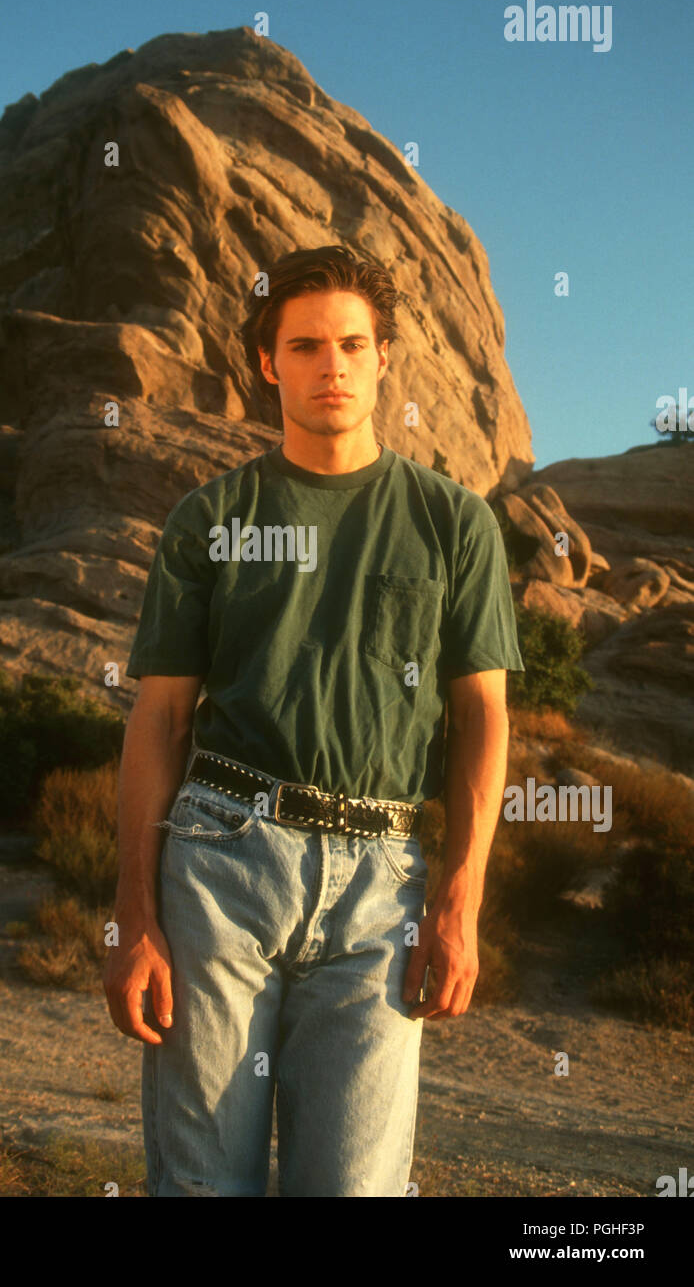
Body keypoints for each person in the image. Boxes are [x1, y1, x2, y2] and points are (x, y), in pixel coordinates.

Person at [103, 244, 524, 1197]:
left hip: (384, 891)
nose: (329, 365)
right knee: (204, 1184)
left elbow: (482, 718)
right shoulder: (210, 517)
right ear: (267, 364)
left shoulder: (455, 523)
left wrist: (460, 901)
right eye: (303, 346)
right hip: (220, 864)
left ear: (384, 359)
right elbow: (160, 718)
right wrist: (133, 913)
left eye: (350, 344)